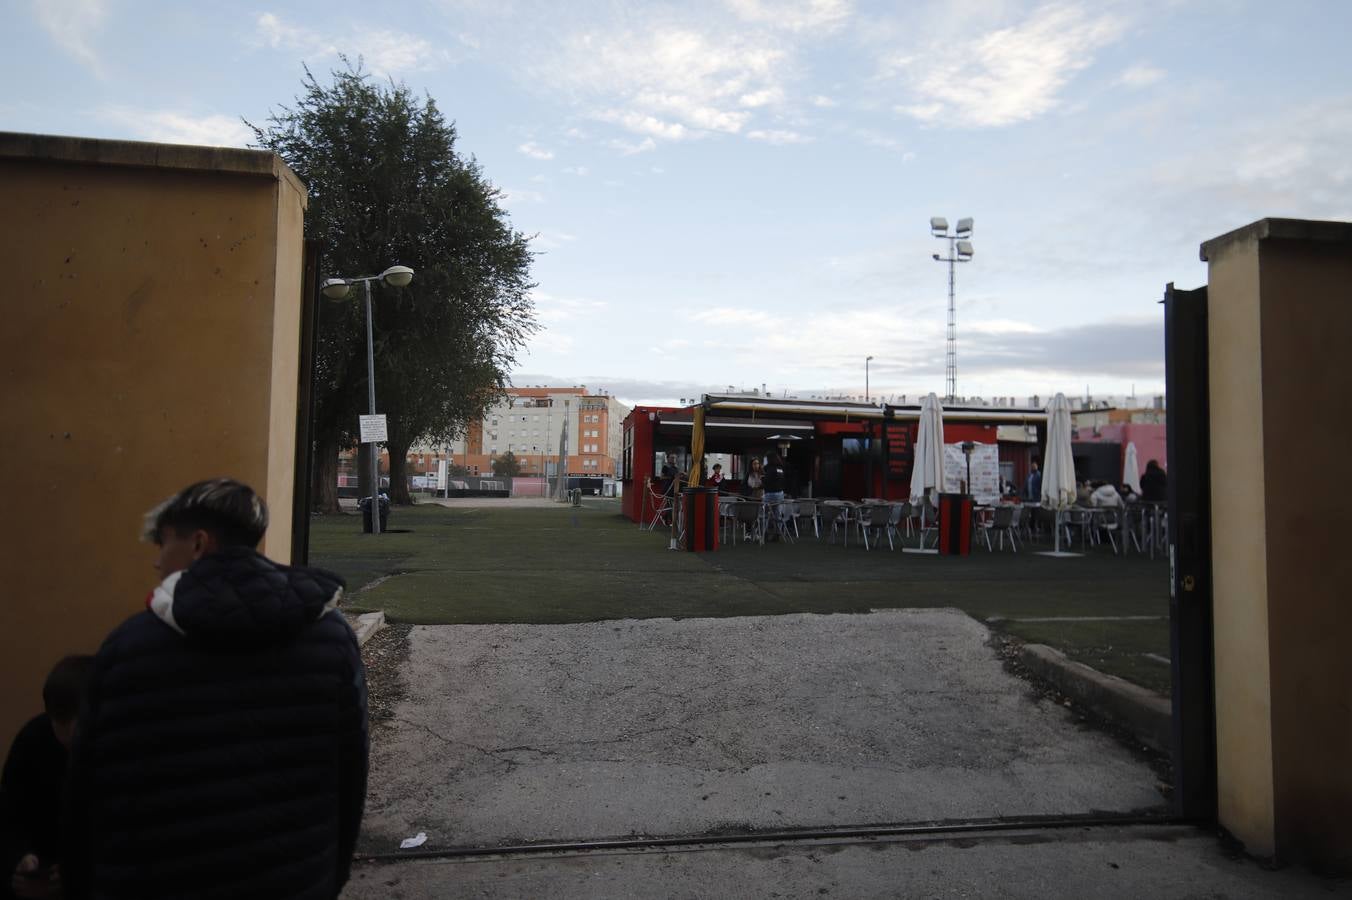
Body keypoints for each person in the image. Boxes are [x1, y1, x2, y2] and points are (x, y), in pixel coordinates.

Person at [62, 478, 367, 900]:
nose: (157, 562)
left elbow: (87, 792)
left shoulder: (129, 647)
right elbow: (350, 775)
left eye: (163, 543)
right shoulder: (331, 639)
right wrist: (330, 875)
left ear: (198, 544)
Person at [2, 655, 94, 900]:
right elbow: (9, 816)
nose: (68, 743)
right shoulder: (33, 738)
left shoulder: (115, 747)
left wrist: (77, 874)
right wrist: (19, 860)